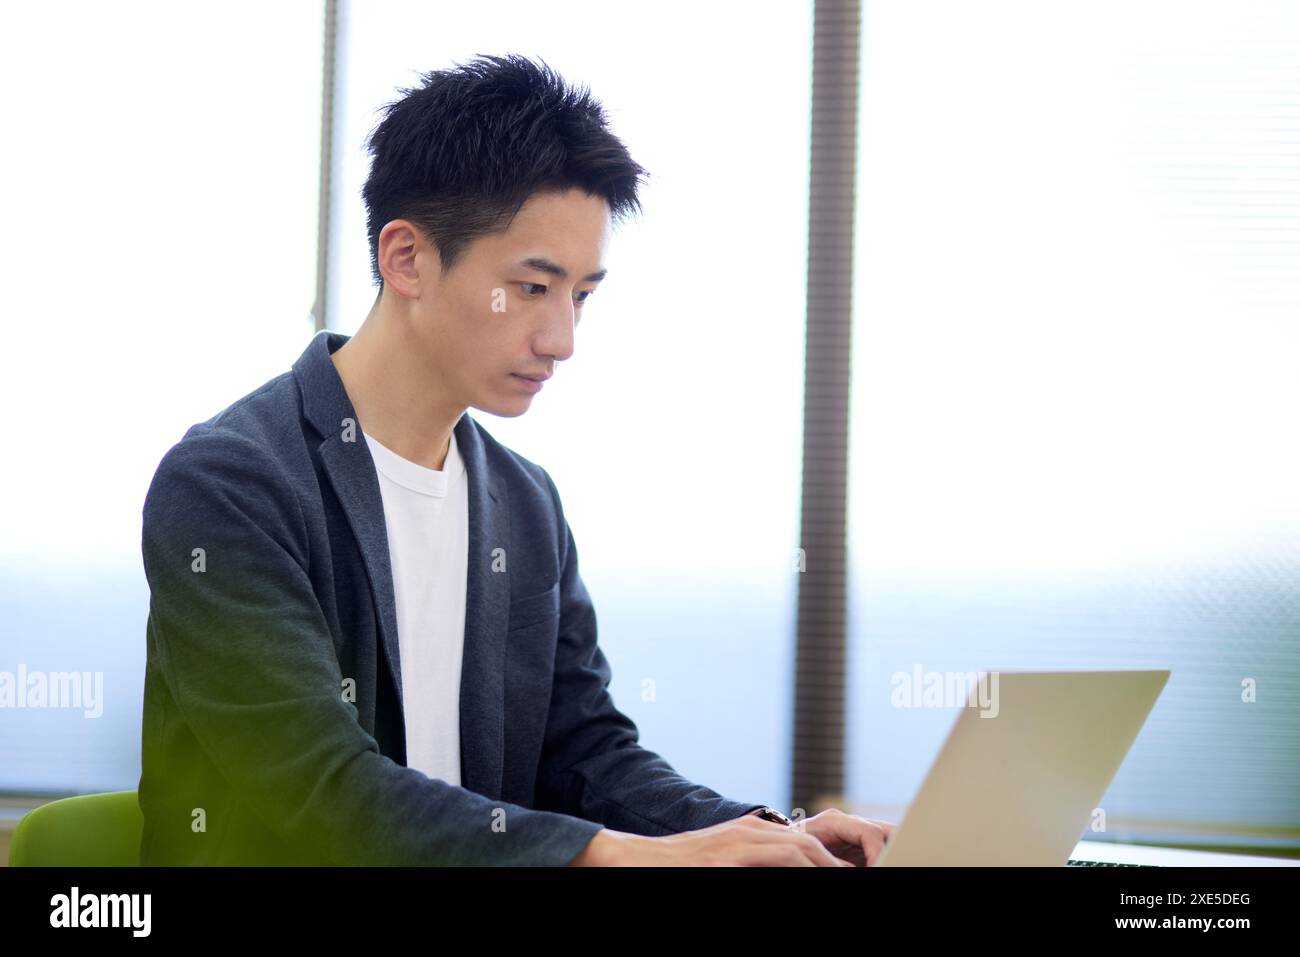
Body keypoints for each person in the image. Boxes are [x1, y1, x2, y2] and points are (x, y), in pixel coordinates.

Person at [137, 52, 892, 866]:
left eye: (582, 296)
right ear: (407, 259)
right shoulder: (228, 485)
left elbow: (587, 756)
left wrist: (773, 837)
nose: (562, 338)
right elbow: (323, 790)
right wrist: (622, 857)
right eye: (532, 288)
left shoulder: (524, 502)